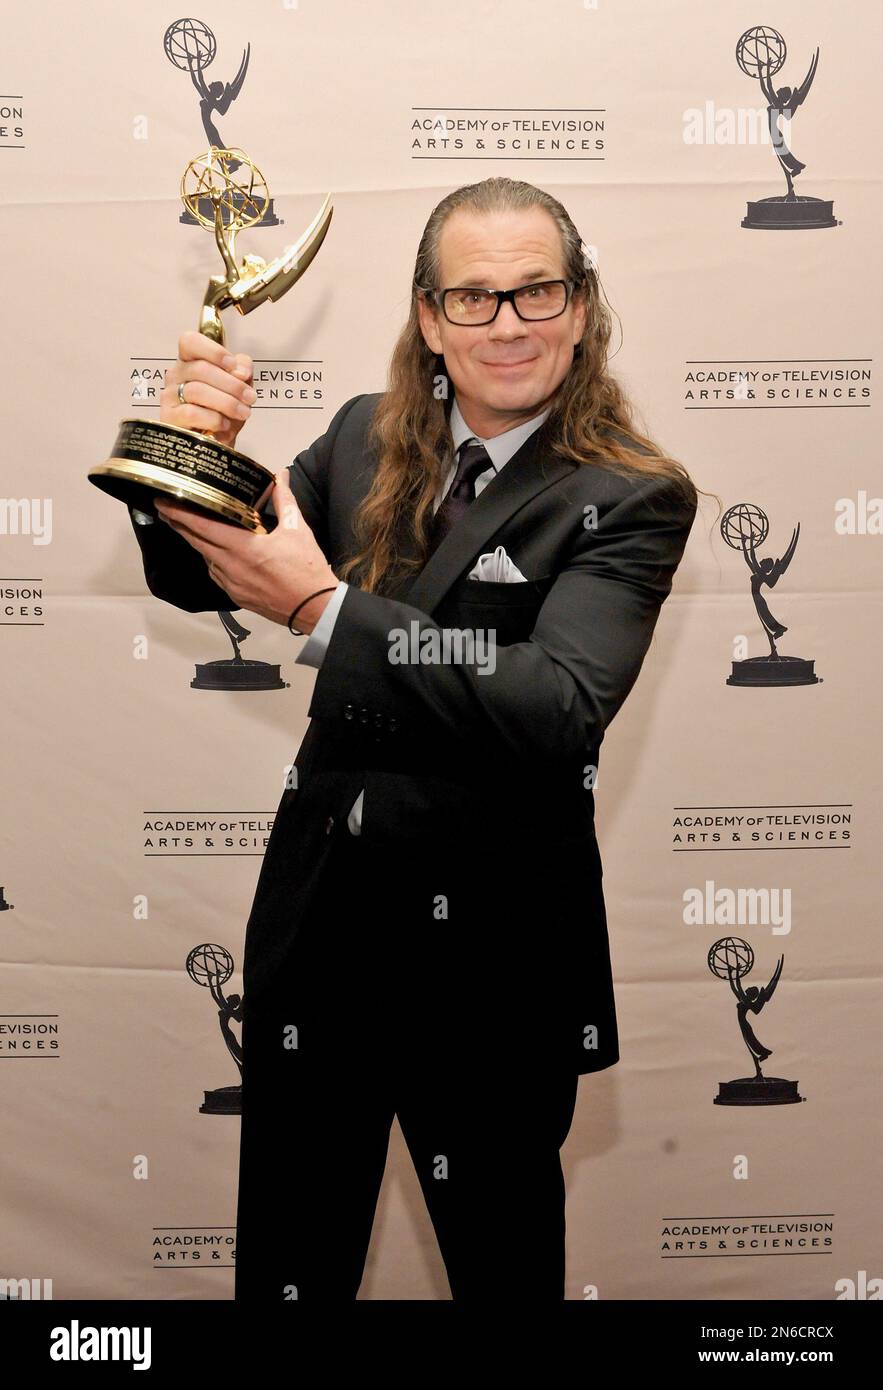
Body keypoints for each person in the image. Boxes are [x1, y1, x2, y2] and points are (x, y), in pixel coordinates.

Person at [129, 176, 701, 1301]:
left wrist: (327, 614)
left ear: (581, 306)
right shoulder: (360, 436)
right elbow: (197, 573)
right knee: (290, 1264)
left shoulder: (631, 495)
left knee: (502, 1269)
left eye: (536, 291)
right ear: (428, 318)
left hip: (495, 963)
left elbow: (553, 705)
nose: (508, 324)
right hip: (322, 929)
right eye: (473, 298)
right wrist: (181, 455)